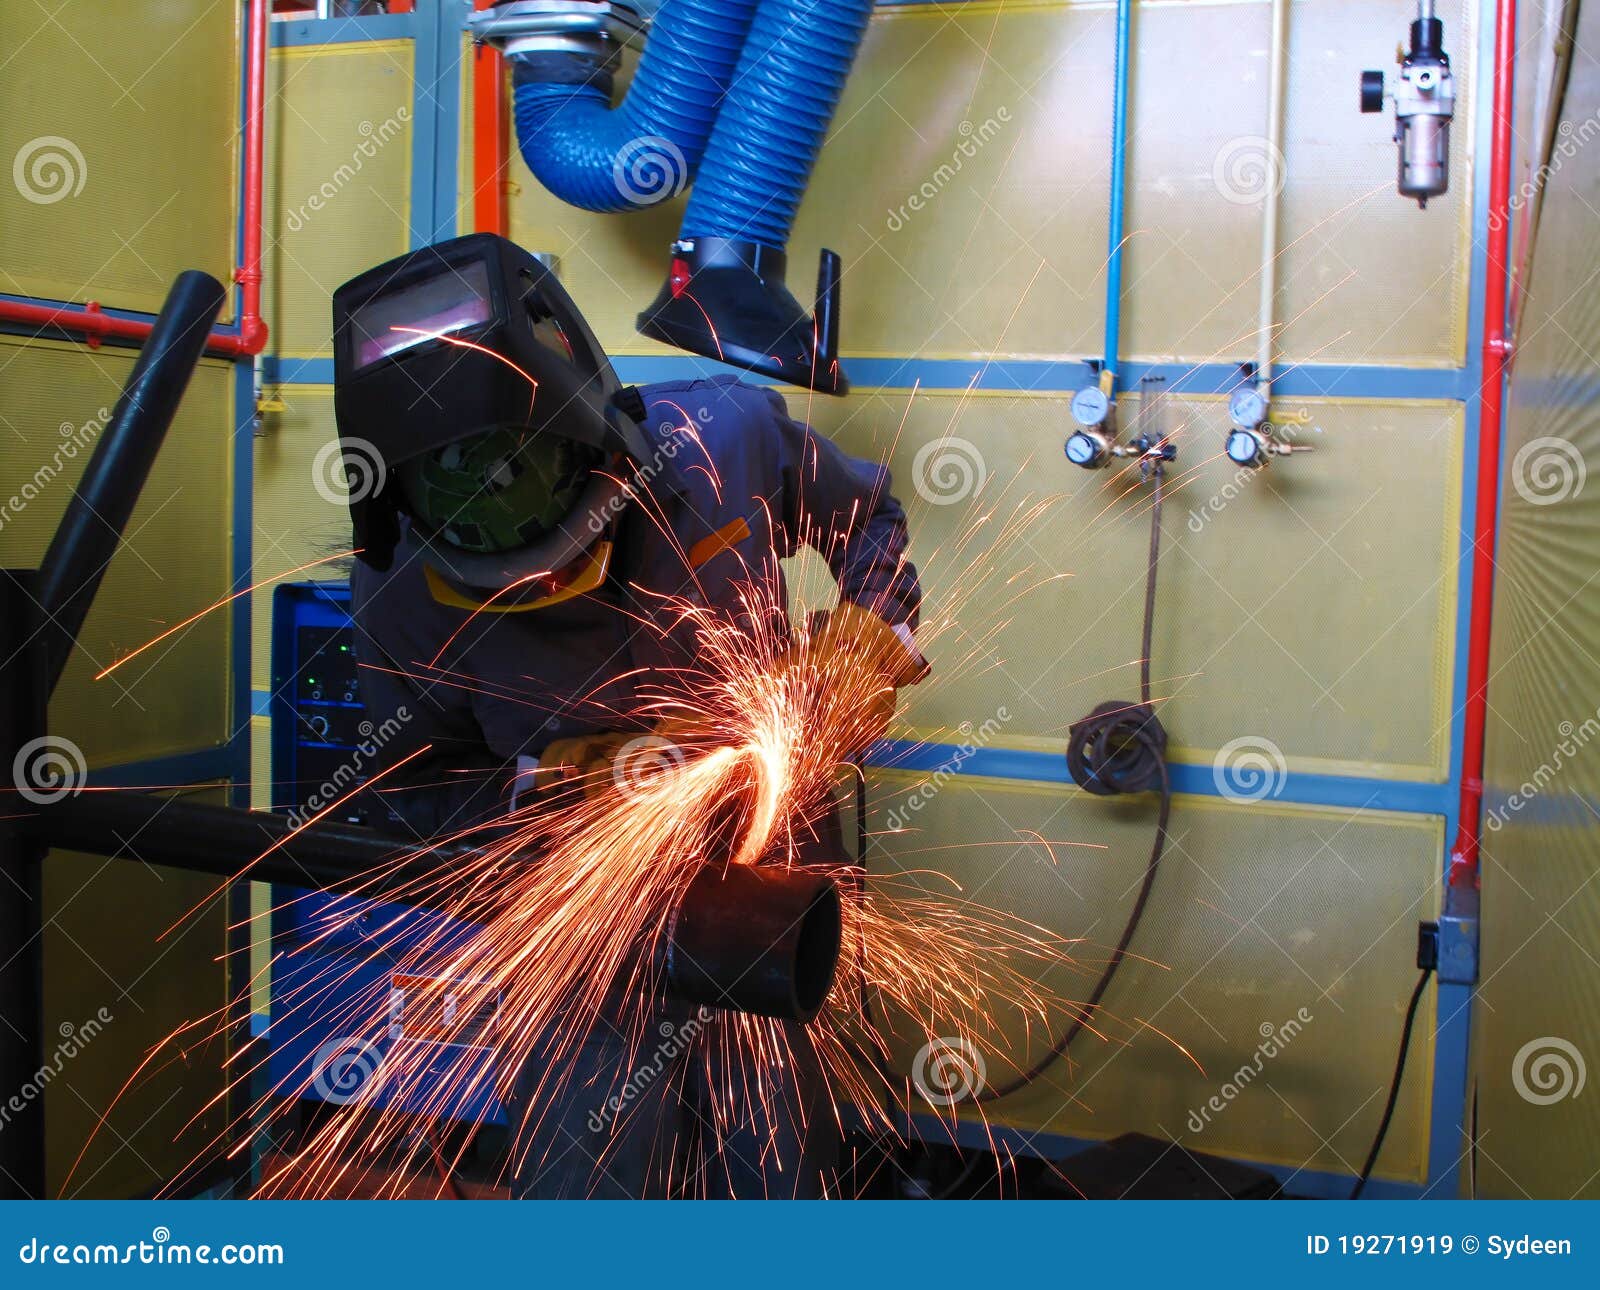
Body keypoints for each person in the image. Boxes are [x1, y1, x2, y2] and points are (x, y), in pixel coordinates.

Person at [331, 233, 923, 1197]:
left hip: (776, 873)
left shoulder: (725, 440)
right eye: (518, 589)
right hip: (581, 907)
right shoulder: (396, 590)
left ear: (605, 452)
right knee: (587, 1176)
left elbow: (871, 524)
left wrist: (868, 635)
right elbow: (416, 788)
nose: (551, 584)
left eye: (575, 557)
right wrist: (550, 782)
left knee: (778, 1167)